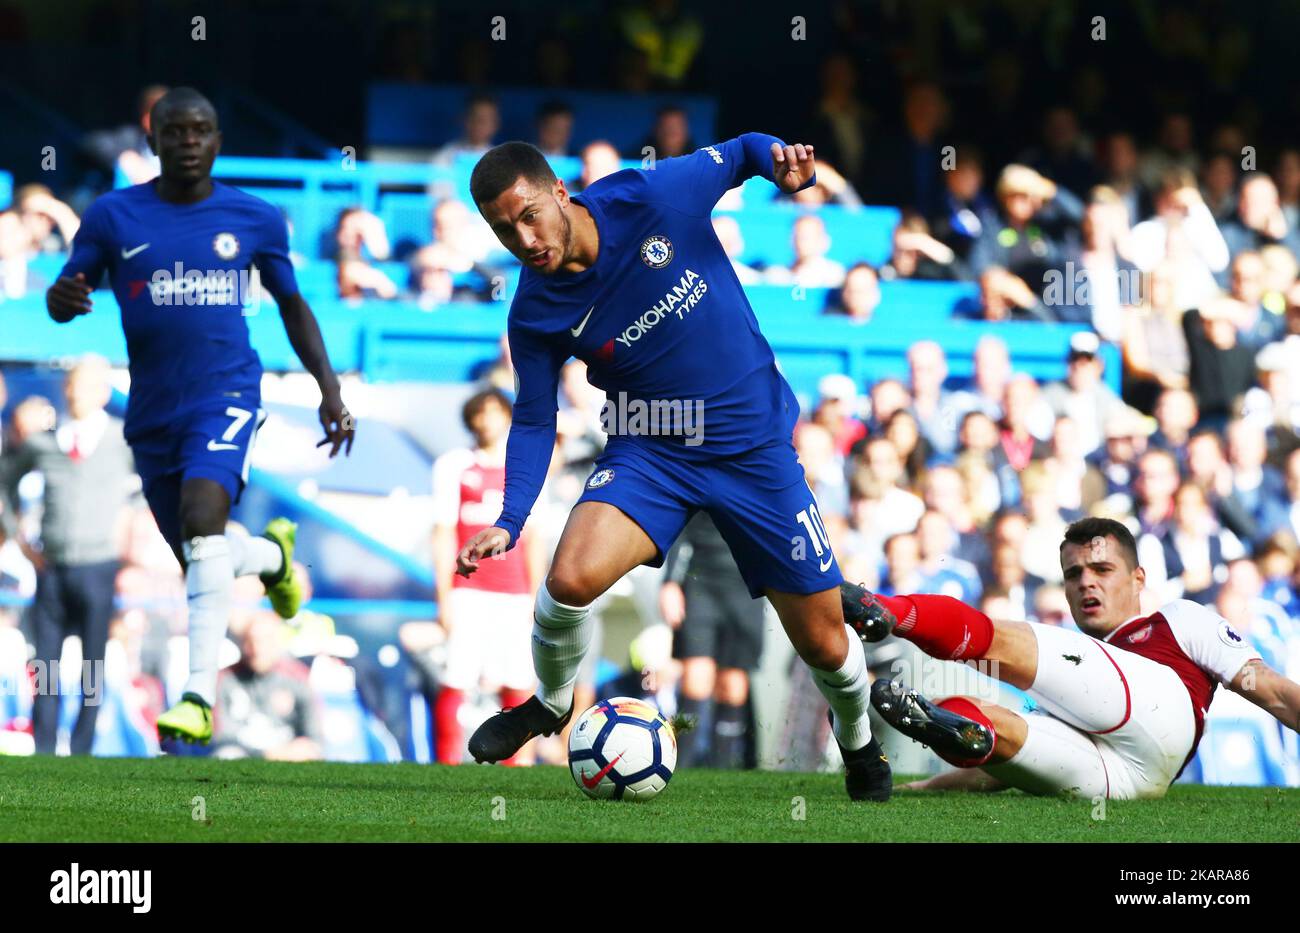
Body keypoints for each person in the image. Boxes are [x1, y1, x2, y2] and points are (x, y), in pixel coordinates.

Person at [458, 134, 892, 800]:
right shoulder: (535, 310)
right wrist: (511, 517)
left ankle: (860, 747)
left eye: (527, 215)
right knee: (568, 578)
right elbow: (536, 416)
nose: (523, 238)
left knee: (827, 646)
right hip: (652, 448)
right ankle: (549, 702)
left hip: (752, 449)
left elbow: (746, 151)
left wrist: (786, 166)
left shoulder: (652, 195)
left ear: (559, 192)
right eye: (503, 229)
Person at [44, 88, 355, 746]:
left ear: (217, 140)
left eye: (203, 130)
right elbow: (66, 295)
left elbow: (293, 305)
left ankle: (196, 695)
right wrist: (64, 297)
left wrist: (328, 387)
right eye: (176, 131)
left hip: (227, 393)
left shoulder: (254, 217)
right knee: (200, 554)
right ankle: (271, 556)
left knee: (203, 518)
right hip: (154, 409)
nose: (189, 140)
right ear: (151, 140)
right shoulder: (111, 215)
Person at [848, 517, 1300, 799]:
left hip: (1166, 712)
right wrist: (925, 788)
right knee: (998, 728)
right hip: (1128, 786)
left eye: (1102, 570)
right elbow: (1008, 769)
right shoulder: (1071, 674)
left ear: (1138, 579)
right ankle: (947, 721)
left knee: (1004, 643)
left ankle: (888, 611)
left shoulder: (1179, 619)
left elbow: (1274, 692)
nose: (1087, 583)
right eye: (1074, 574)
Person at [0, 358, 134, 754]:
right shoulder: (46, 442)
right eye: (73, 385)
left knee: (93, 661)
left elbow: (152, 484)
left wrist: (129, 532)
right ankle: (43, 744)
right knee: (45, 661)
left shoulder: (120, 439)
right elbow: (6, 479)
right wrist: (18, 536)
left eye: (88, 385)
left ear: (105, 393)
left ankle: (83, 745)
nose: (78, 393)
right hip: (53, 566)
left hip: (98, 564)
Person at [429, 389, 545, 765]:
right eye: (480, 412)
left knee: (515, 678)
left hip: (513, 594)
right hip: (470, 591)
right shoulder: (455, 466)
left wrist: (534, 594)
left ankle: (515, 764)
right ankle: (446, 762)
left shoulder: (524, 467)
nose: (487, 420)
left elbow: (535, 537)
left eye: (495, 412)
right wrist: (444, 594)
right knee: (457, 675)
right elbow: (444, 531)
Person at [660, 512, 764, 769]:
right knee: (696, 680)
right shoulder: (699, 472)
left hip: (745, 588)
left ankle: (723, 771)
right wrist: (670, 582)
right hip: (700, 581)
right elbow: (677, 527)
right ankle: (676, 767)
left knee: (733, 686)